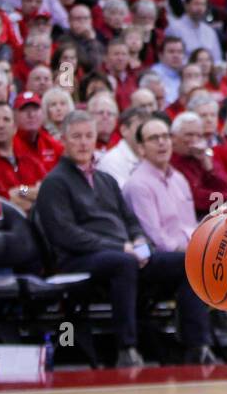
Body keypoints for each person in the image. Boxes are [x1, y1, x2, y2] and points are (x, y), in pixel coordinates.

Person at [34, 110, 159, 367]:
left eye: (88, 136)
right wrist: (121, 247)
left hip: (122, 253)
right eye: (76, 136)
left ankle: (195, 346)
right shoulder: (54, 182)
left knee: (180, 263)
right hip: (78, 260)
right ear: (63, 140)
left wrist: (137, 240)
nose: (83, 142)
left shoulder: (106, 179)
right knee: (123, 263)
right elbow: (65, 234)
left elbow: (130, 218)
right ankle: (127, 349)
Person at [120, 116, 217, 364]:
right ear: (140, 148)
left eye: (165, 137)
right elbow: (157, 237)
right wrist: (197, 253)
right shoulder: (137, 184)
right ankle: (198, 347)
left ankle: (221, 345)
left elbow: (190, 226)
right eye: (154, 138)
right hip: (149, 257)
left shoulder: (179, 179)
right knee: (192, 265)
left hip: (184, 253)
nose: (162, 143)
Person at [96, 106, 154, 188]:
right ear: (124, 130)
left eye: (149, 129)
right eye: (141, 128)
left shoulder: (153, 156)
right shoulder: (112, 161)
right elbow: (127, 197)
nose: (146, 133)